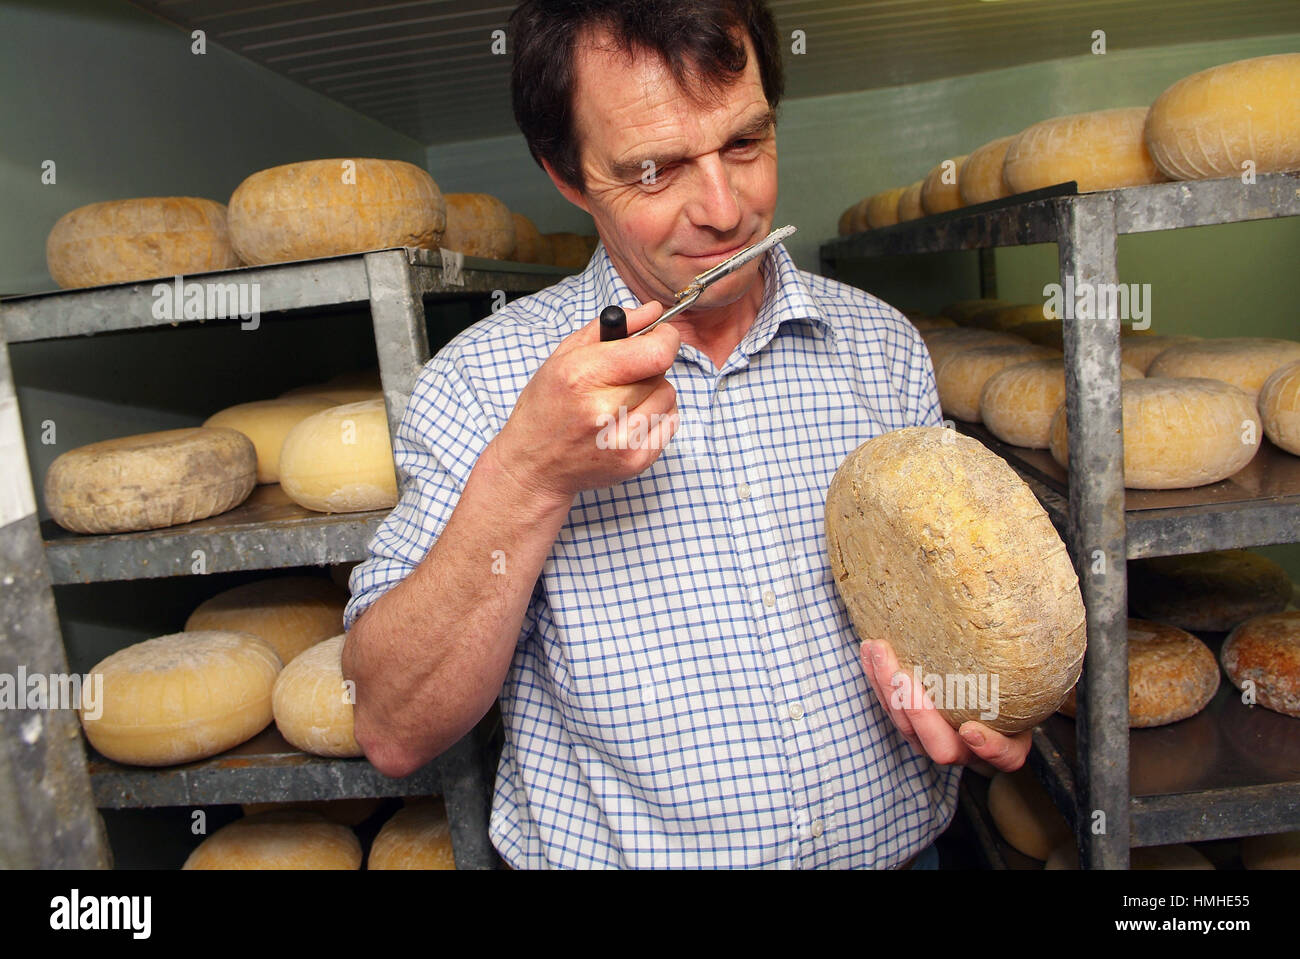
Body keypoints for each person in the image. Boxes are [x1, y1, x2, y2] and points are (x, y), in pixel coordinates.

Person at [341, 0, 1029, 869]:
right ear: (566, 174)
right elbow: (394, 727)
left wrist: (985, 702)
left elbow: (957, 608)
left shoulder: (882, 346)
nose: (724, 208)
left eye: (745, 144)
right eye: (655, 170)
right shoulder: (481, 385)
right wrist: (529, 476)